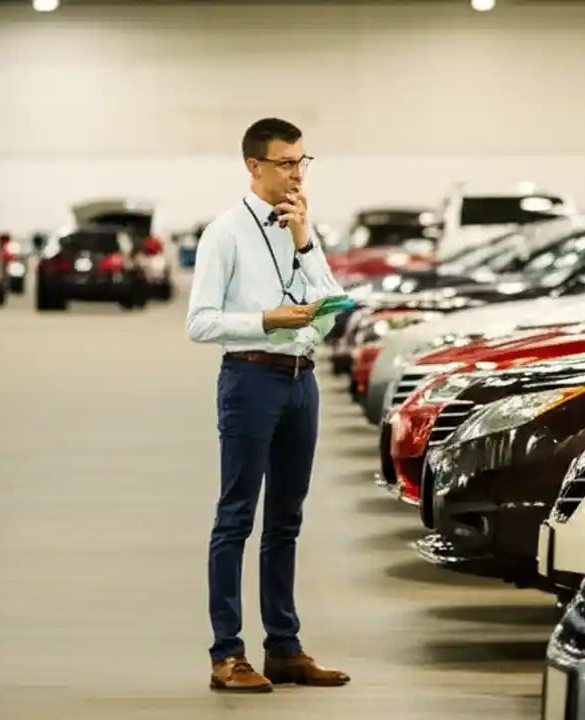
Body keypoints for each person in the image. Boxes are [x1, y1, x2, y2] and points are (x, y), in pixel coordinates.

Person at [186, 117, 350, 693]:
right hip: (250, 379)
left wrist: (305, 239)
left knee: (287, 520)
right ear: (254, 166)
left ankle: (283, 646)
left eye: (303, 162)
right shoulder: (225, 233)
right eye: (286, 163)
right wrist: (264, 321)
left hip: (301, 382)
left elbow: (332, 304)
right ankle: (227, 654)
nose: (296, 174)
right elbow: (200, 323)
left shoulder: (300, 228)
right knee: (236, 517)